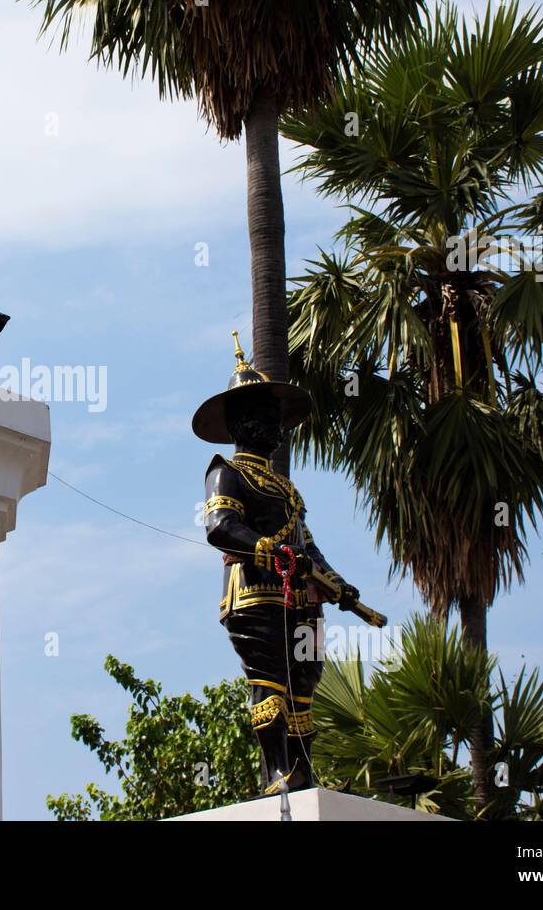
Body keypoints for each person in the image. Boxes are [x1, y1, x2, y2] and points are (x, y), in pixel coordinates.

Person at [192, 331, 360, 794]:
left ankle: (303, 773)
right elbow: (220, 527)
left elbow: (308, 545)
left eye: (278, 419)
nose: (277, 428)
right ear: (243, 423)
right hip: (252, 593)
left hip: (302, 600)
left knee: (304, 685)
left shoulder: (287, 490)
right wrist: (268, 548)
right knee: (271, 683)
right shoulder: (225, 472)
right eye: (267, 418)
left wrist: (337, 583)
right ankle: (275, 774)